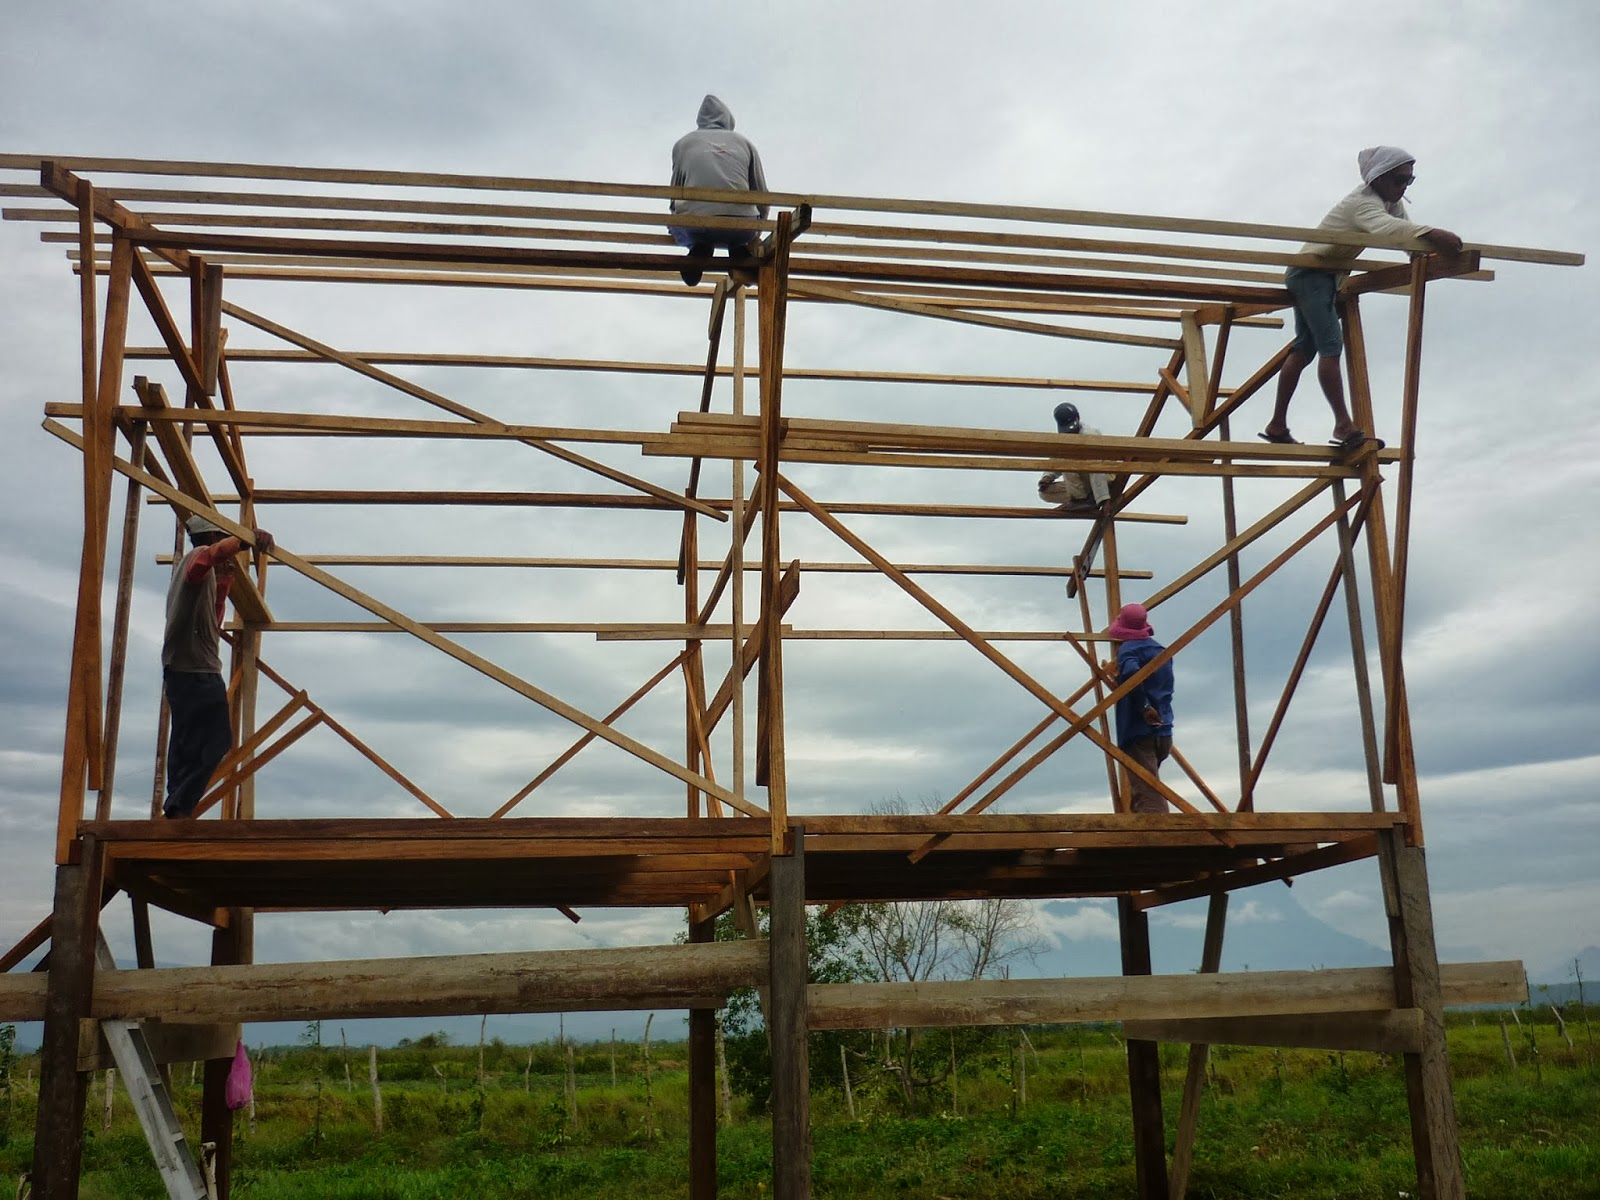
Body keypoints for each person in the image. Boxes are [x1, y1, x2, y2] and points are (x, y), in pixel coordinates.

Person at [1260, 146, 1463, 451]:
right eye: (1399, 180)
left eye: (1409, 180)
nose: (1404, 187)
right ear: (1379, 178)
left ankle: (1277, 425)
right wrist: (1435, 234)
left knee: (1305, 347)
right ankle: (1343, 425)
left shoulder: (1388, 202)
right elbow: (1388, 229)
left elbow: (1402, 233)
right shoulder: (1363, 205)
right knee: (1330, 346)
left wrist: (1419, 255)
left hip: (1323, 276)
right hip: (1312, 274)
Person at [161, 514, 273, 819]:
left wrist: (225, 581)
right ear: (212, 537)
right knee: (218, 741)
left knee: (186, 742)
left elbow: (212, 614)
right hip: (198, 671)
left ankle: (176, 803)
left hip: (183, 670)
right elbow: (210, 555)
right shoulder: (196, 559)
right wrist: (245, 539)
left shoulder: (198, 580)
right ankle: (180, 805)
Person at [669, 94, 769, 287]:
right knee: (738, 230)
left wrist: (676, 221)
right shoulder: (745, 143)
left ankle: (699, 249)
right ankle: (739, 252)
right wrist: (756, 232)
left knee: (681, 222)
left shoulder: (682, 144)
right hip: (742, 226)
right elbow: (762, 195)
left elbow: (674, 195)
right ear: (728, 120)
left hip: (696, 226)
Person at [1105, 603, 1174, 815]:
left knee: (1148, 795)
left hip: (1138, 731)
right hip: (1163, 732)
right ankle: (1138, 832)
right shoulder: (1160, 651)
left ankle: (1160, 839)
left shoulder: (1129, 650)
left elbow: (1132, 672)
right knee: (1142, 790)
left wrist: (1144, 706)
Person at [1037, 401, 1110, 512]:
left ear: (1077, 418)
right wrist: (1047, 477)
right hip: (1084, 487)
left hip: (1102, 480)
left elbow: (1096, 466)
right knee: (1045, 493)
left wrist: (1103, 499)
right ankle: (1080, 499)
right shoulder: (1064, 438)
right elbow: (1055, 459)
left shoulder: (1090, 434)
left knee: (1067, 462)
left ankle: (1083, 501)